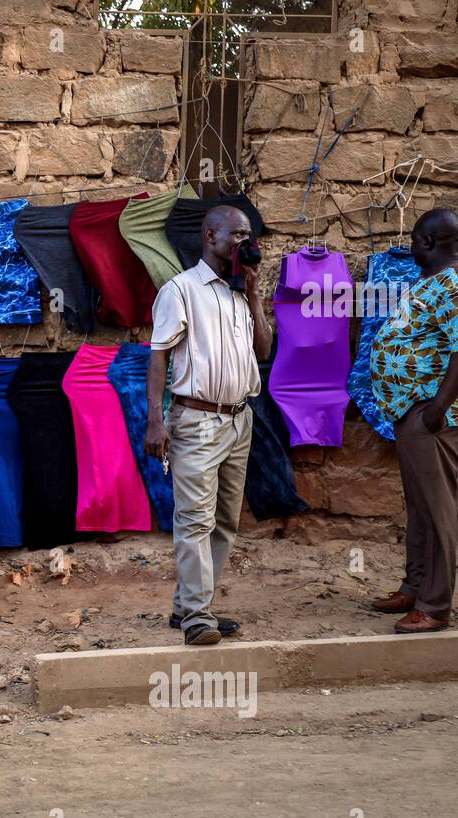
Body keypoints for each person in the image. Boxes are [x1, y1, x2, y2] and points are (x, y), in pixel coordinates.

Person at [144, 207, 273, 646]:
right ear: (209, 235)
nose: (244, 241)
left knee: (224, 521)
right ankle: (198, 616)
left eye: (248, 235)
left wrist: (254, 295)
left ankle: (189, 607)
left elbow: (263, 349)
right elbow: (158, 355)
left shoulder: (241, 291)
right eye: (236, 234)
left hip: (240, 419)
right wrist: (155, 421)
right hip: (197, 419)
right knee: (194, 519)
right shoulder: (180, 291)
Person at [368, 209, 458, 633]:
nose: (412, 248)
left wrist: (437, 408)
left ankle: (435, 606)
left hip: (434, 415)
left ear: (429, 242)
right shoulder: (435, 281)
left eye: (415, 241)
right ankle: (415, 587)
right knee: (419, 506)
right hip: (414, 411)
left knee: (436, 510)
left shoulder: (454, 281)